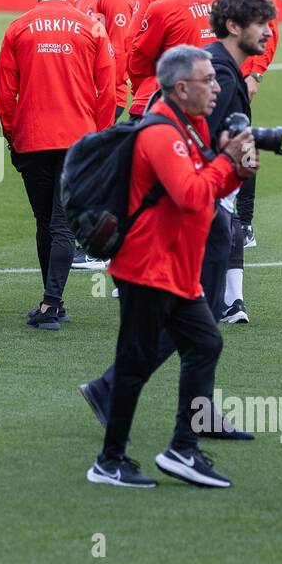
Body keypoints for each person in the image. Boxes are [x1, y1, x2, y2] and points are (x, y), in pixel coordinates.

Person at [78, 0, 275, 438]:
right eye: (261, 22)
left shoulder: (215, 66)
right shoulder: (218, 74)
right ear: (233, 27)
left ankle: (179, 416)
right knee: (192, 322)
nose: (268, 30)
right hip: (192, 218)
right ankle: (121, 409)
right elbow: (202, 150)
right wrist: (230, 173)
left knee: (197, 327)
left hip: (198, 214)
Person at [86, 46, 257, 489]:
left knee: (204, 343)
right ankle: (110, 460)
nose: (218, 86)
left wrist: (237, 168)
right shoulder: (163, 134)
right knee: (134, 364)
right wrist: (226, 161)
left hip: (175, 265)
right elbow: (192, 194)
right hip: (147, 268)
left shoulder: (191, 124)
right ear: (182, 88)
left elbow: (212, 186)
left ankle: (182, 448)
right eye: (208, 80)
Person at [0, 0, 115, 330]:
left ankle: (51, 304)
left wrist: (11, 133)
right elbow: (107, 90)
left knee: (44, 220)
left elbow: (6, 92)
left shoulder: (18, 28)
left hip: (32, 138)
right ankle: (53, 304)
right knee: (63, 223)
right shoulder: (91, 28)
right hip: (77, 140)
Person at [201, 0, 276, 318]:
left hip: (234, 78)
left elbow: (269, 31)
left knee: (236, 154)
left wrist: (256, 74)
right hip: (204, 78)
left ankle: (243, 226)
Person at [68, 0, 135, 271]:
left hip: (106, 97)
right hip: (84, 99)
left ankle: (100, 246)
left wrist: (103, 97)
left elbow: (121, 52)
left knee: (96, 171)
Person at [126, 0, 217, 119]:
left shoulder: (163, 7)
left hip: (166, 103)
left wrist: (144, 89)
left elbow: (138, 60)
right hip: (209, 100)